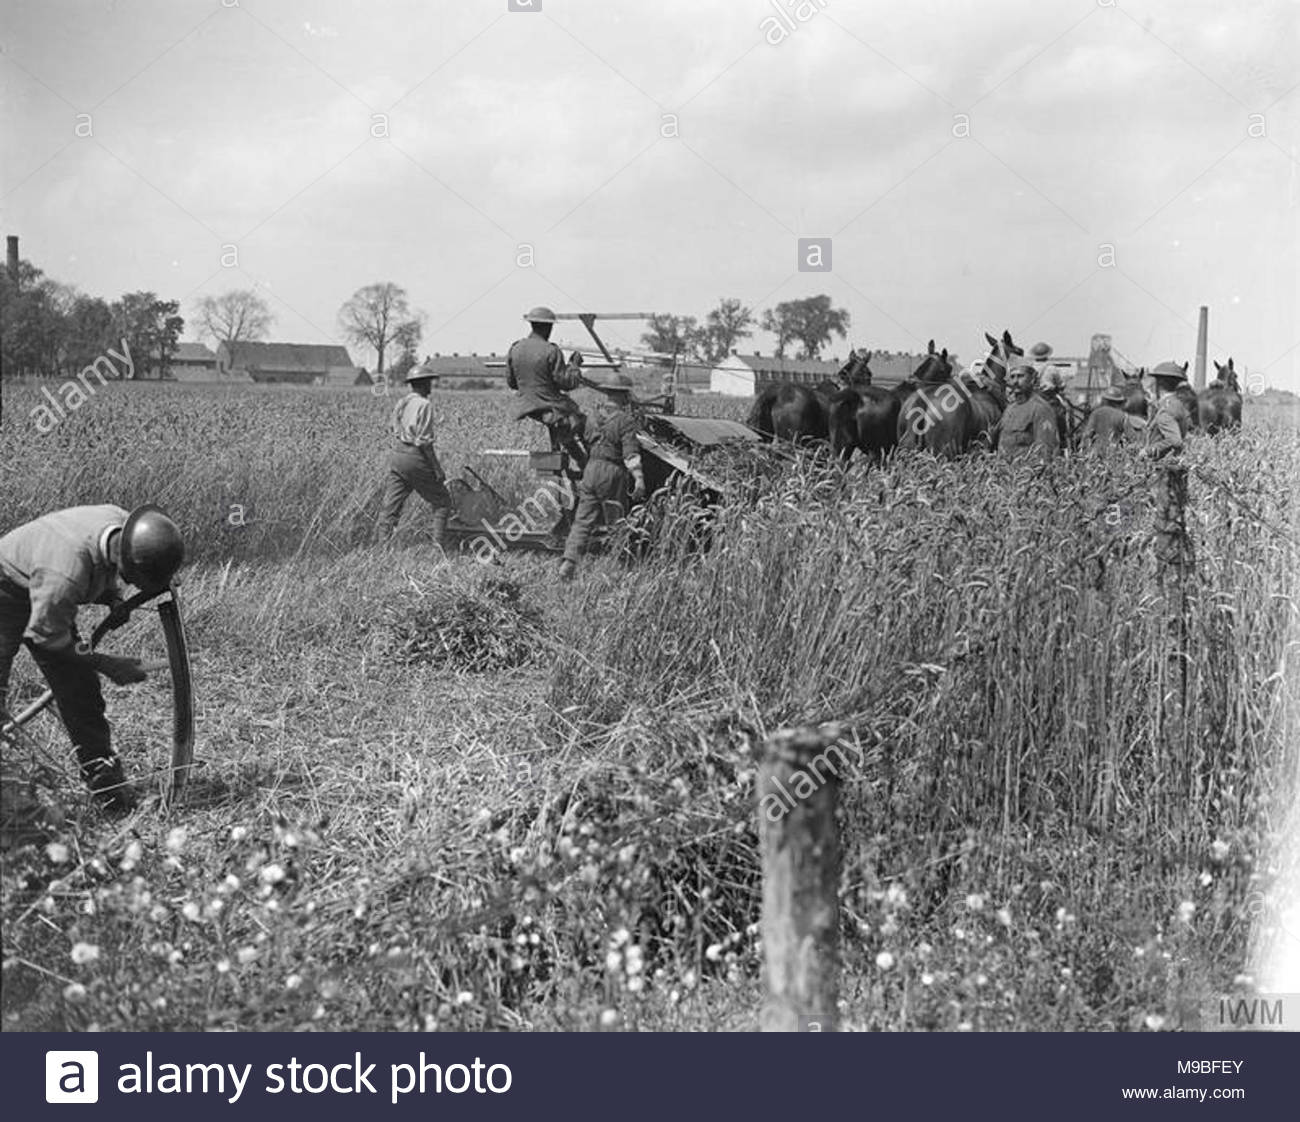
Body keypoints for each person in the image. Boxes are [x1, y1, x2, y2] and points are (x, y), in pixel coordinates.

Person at [0, 504, 185, 814]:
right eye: (138, 581)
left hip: (44, 578)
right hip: (5, 587)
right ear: (125, 559)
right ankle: (10, 802)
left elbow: (102, 567)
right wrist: (107, 663)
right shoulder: (64, 574)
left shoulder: (125, 527)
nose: (138, 588)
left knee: (79, 688)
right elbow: (47, 637)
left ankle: (105, 781)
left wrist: (113, 597)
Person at [558, 373, 647, 581]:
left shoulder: (591, 417)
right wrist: (639, 478)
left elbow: (576, 436)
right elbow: (631, 454)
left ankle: (569, 563)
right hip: (612, 471)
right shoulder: (625, 421)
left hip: (590, 470)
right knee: (617, 520)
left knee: (582, 521)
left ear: (607, 393)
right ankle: (619, 567)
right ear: (624, 396)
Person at [378, 361, 452, 549]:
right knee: (442, 502)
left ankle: (382, 547)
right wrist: (437, 469)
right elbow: (424, 442)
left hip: (398, 455)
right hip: (415, 456)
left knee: (392, 505)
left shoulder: (402, 402)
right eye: (429, 382)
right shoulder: (424, 404)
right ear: (424, 383)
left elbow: (392, 428)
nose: (431, 387)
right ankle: (439, 549)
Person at [507, 306, 587, 470]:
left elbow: (512, 382)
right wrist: (574, 365)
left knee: (565, 429)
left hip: (525, 406)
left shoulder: (515, 349)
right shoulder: (551, 351)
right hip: (549, 404)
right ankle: (589, 466)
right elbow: (566, 383)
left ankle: (581, 461)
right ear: (549, 327)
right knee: (583, 423)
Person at [989, 364, 1060, 458]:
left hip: (1024, 469)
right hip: (1004, 469)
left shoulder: (1041, 409)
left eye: (1020, 376)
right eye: (1012, 377)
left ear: (1032, 380)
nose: (1015, 381)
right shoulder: (1010, 409)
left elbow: (1045, 450)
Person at [1141, 361, 1193, 460]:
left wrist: (1147, 451)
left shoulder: (1166, 410)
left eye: (1154, 382)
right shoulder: (1177, 404)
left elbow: (1175, 441)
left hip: (1161, 467)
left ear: (1160, 384)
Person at [1079, 385, 1146, 448]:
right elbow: (1133, 438)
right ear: (1118, 402)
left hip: (1094, 455)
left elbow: (1087, 435)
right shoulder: (1122, 416)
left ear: (1105, 400)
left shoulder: (1095, 413)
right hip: (1113, 454)